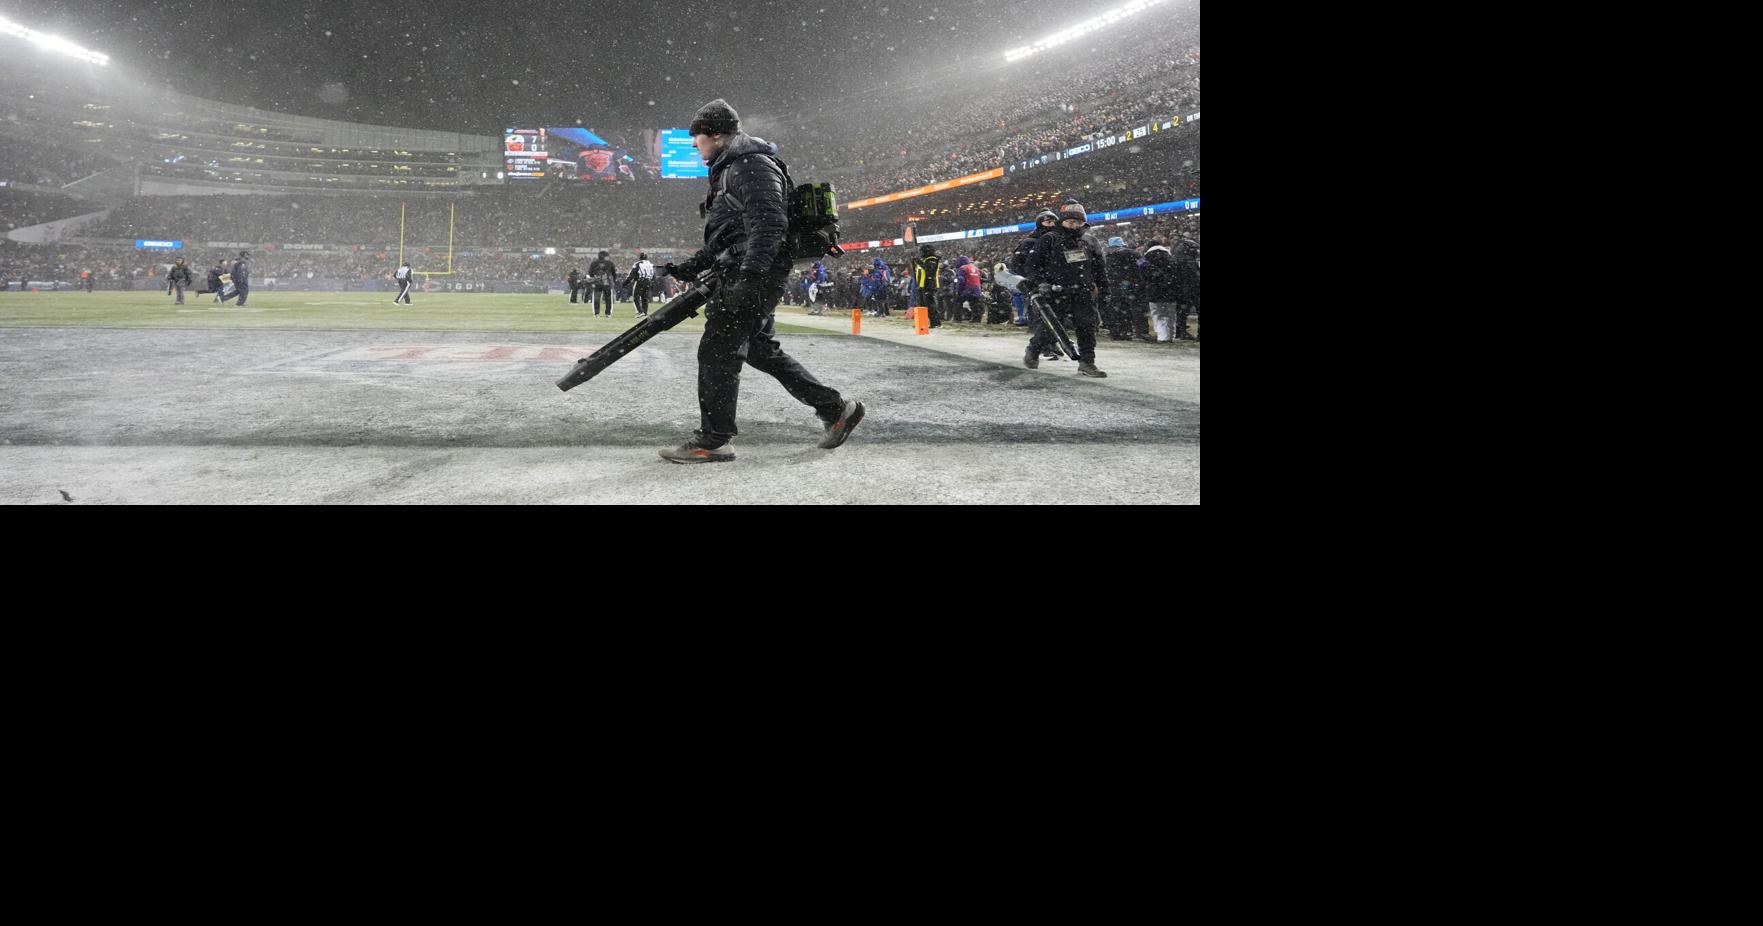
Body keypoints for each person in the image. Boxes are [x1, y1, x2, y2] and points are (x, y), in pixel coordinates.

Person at [655, 98, 864, 463]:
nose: (693, 144)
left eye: (697, 136)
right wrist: (683, 269)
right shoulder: (733, 167)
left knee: (718, 349)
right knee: (758, 348)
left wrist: (750, 276)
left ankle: (714, 440)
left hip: (755, 274)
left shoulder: (750, 165)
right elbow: (729, 238)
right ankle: (836, 409)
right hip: (747, 270)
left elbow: (769, 224)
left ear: (717, 134)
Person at [1022, 200, 1107, 377]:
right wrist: (1041, 283)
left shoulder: (1089, 241)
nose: (1074, 226)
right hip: (1056, 291)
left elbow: (1099, 269)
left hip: (1083, 291)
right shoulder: (1050, 239)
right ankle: (1034, 349)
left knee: (1086, 327)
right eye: (1070, 222)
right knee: (1051, 328)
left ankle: (1087, 362)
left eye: (1078, 222)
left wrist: (1104, 289)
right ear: (1062, 221)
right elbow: (1032, 266)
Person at [910, 244, 944, 328]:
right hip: (922, 285)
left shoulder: (932, 260)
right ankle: (922, 322)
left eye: (922, 251)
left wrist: (919, 262)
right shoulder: (925, 260)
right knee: (922, 305)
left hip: (929, 285)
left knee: (930, 305)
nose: (920, 253)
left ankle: (936, 323)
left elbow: (929, 271)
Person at [624, 252, 656, 317]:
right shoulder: (650, 264)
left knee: (636, 297)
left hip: (640, 281)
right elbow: (654, 275)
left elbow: (631, 275)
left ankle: (640, 311)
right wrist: (652, 283)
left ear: (640, 257)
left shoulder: (638, 264)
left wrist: (625, 283)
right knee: (645, 297)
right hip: (648, 281)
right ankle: (644, 312)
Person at [587, 250, 617, 317]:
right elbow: (614, 273)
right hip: (607, 283)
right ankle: (608, 313)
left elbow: (590, 273)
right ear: (605, 256)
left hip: (597, 283)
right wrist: (613, 281)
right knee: (608, 299)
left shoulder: (594, 263)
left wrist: (595, 277)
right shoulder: (610, 263)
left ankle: (596, 313)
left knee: (596, 298)